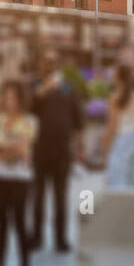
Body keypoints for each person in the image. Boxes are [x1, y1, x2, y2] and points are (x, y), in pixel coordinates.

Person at [0, 80, 37, 266]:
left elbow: (21, 150)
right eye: (6, 96)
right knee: (0, 225)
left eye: (13, 96)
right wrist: (4, 148)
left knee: (20, 223)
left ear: (21, 99)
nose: (9, 100)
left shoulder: (29, 121)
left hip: (20, 179)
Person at [29, 50, 82, 254]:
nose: (49, 65)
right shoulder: (33, 84)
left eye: (53, 61)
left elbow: (77, 118)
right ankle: (37, 237)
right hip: (39, 148)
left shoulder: (67, 87)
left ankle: (61, 239)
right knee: (38, 196)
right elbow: (27, 109)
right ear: (39, 63)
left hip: (62, 149)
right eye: (45, 61)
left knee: (60, 196)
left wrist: (79, 146)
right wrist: (42, 91)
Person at [101, 65, 134, 189]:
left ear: (118, 77)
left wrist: (105, 150)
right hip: (133, 143)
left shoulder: (115, 98)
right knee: (132, 186)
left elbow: (112, 127)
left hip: (119, 143)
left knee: (117, 186)